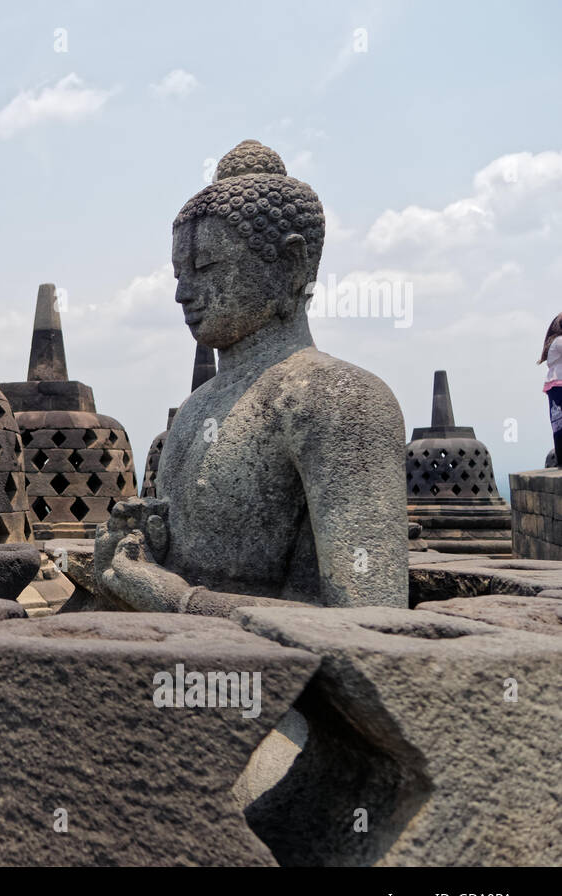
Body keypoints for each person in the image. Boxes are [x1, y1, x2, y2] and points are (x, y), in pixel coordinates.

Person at [95, 140, 408, 615]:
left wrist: (176, 600)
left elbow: (372, 622)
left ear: (291, 264)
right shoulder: (195, 410)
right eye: (178, 272)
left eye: (205, 267)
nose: (182, 293)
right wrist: (129, 560)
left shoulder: (341, 400)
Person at [539, 312, 562, 467]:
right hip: (558, 385)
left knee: (559, 424)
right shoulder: (559, 342)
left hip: (557, 385)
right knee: (559, 424)